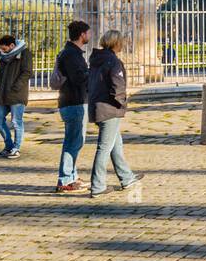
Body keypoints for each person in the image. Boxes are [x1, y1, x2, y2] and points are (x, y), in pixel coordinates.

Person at [87, 29, 141, 197]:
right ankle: (97, 186)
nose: (123, 44)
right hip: (110, 109)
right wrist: (123, 103)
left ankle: (127, 177)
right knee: (104, 147)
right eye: (122, 41)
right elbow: (118, 87)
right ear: (116, 43)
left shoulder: (96, 59)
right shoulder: (113, 62)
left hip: (97, 106)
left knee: (116, 145)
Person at [54, 20, 92, 194]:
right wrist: (92, 73)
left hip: (73, 101)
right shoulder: (72, 55)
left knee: (75, 141)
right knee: (73, 142)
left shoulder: (71, 52)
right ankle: (66, 180)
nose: (90, 36)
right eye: (88, 33)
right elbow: (78, 79)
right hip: (73, 102)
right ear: (82, 34)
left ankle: (72, 176)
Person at [0, 34, 33, 159]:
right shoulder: (3, 56)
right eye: (1, 49)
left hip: (17, 94)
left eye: (4, 49)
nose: (2, 51)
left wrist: (16, 87)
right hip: (2, 94)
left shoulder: (25, 53)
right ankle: (9, 146)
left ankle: (16, 148)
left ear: (12, 45)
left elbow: (27, 72)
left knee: (16, 122)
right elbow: (3, 73)